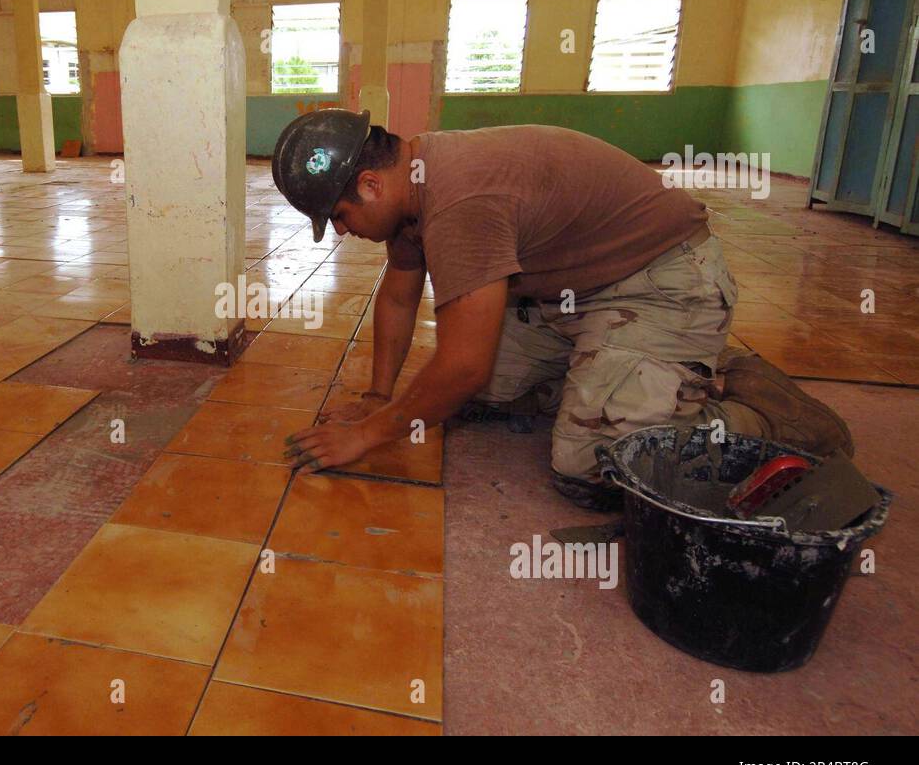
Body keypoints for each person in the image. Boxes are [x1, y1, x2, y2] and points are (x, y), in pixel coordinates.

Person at [273, 109, 854, 510]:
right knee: (478, 392)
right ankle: (646, 371)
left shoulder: (460, 202)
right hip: (573, 299)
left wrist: (371, 435)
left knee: (592, 463)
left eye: (340, 217)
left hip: (663, 283)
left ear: (370, 184)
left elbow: (461, 364)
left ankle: (760, 418)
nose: (343, 233)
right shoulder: (412, 188)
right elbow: (401, 293)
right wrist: (379, 397)